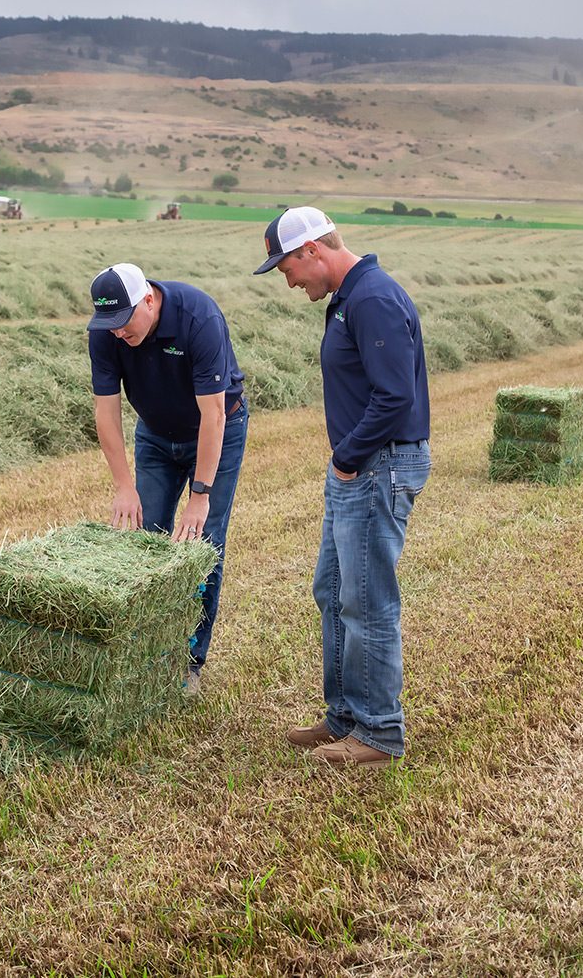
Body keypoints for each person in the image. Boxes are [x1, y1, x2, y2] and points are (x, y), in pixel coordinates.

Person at [254, 206, 430, 766]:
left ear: (312, 251)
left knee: (366, 600)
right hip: (361, 467)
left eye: (287, 269)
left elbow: (395, 395)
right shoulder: (351, 298)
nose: (288, 281)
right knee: (333, 592)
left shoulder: (372, 298)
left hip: (377, 466)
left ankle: (378, 733)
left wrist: (348, 458)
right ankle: (346, 717)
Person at [87, 262, 248, 696]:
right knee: (147, 540)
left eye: (124, 321)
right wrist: (124, 486)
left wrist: (200, 496)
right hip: (156, 435)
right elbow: (106, 411)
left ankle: (189, 662)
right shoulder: (106, 332)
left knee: (203, 544)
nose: (118, 332)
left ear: (149, 300)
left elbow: (214, 415)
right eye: (110, 323)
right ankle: (146, 654)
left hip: (216, 430)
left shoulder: (198, 318)